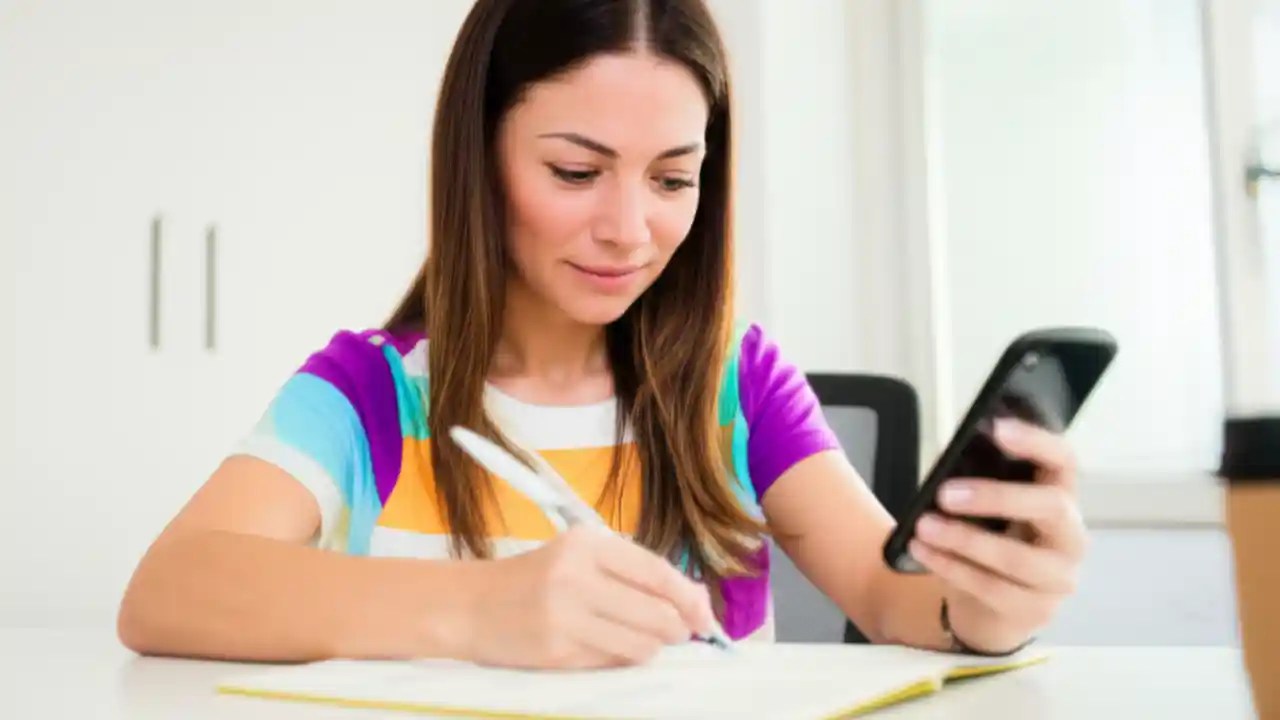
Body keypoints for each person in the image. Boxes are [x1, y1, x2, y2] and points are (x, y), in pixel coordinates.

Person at [116, 0, 1087, 670]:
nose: (631, 229)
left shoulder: (736, 385)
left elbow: (894, 603)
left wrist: (987, 605)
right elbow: (167, 591)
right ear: (479, 158)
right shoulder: (372, 392)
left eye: (672, 179)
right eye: (576, 172)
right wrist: (478, 611)